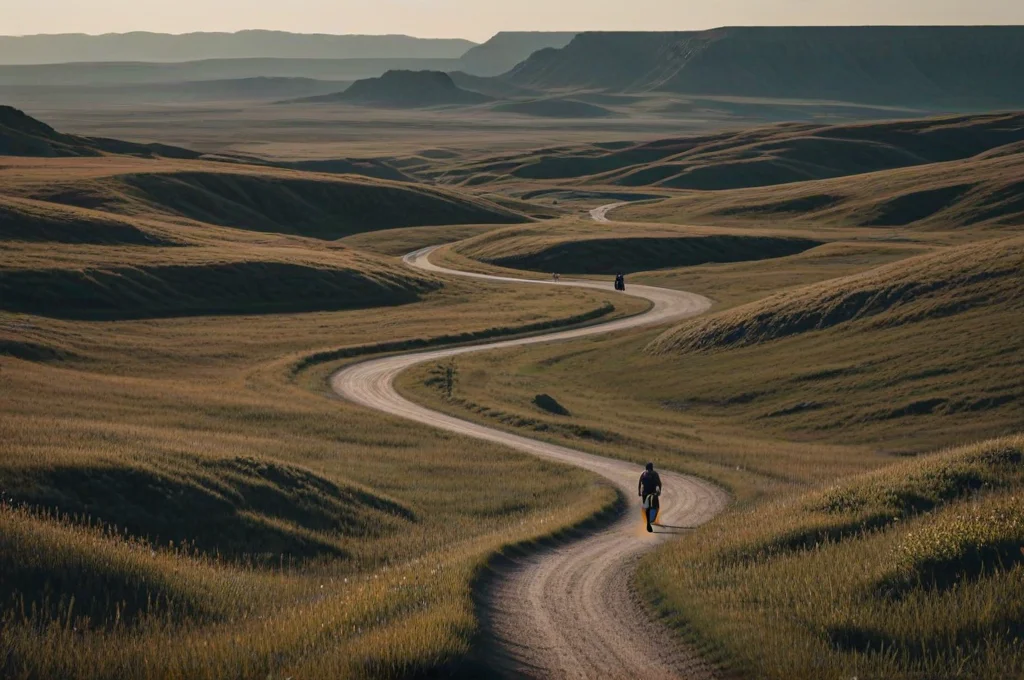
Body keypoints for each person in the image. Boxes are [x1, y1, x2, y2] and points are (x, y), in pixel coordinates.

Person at [638, 462, 662, 532]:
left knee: (646, 507)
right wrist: (659, 491)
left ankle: (647, 521)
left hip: (644, 493)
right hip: (653, 493)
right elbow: (659, 483)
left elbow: (639, 483)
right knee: (656, 506)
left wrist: (639, 492)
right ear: (652, 467)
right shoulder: (655, 473)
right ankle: (653, 520)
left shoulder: (643, 473)